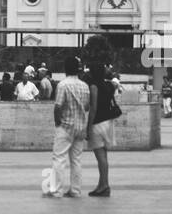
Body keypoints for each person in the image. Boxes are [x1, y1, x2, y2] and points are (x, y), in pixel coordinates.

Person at [45, 57, 90, 198]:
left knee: (59, 158)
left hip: (65, 126)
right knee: (76, 160)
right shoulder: (85, 86)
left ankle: (56, 190)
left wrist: (58, 122)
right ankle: (75, 191)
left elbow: (57, 106)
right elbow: (87, 106)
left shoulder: (63, 85)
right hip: (80, 127)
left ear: (65, 69)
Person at [86, 65, 121, 196]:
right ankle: (102, 184)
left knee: (100, 157)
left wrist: (88, 127)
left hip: (98, 123)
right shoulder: (109, 85)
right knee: (104, 155)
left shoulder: (94, 86)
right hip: (109, 122)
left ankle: (104, 186)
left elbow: (93, 108)